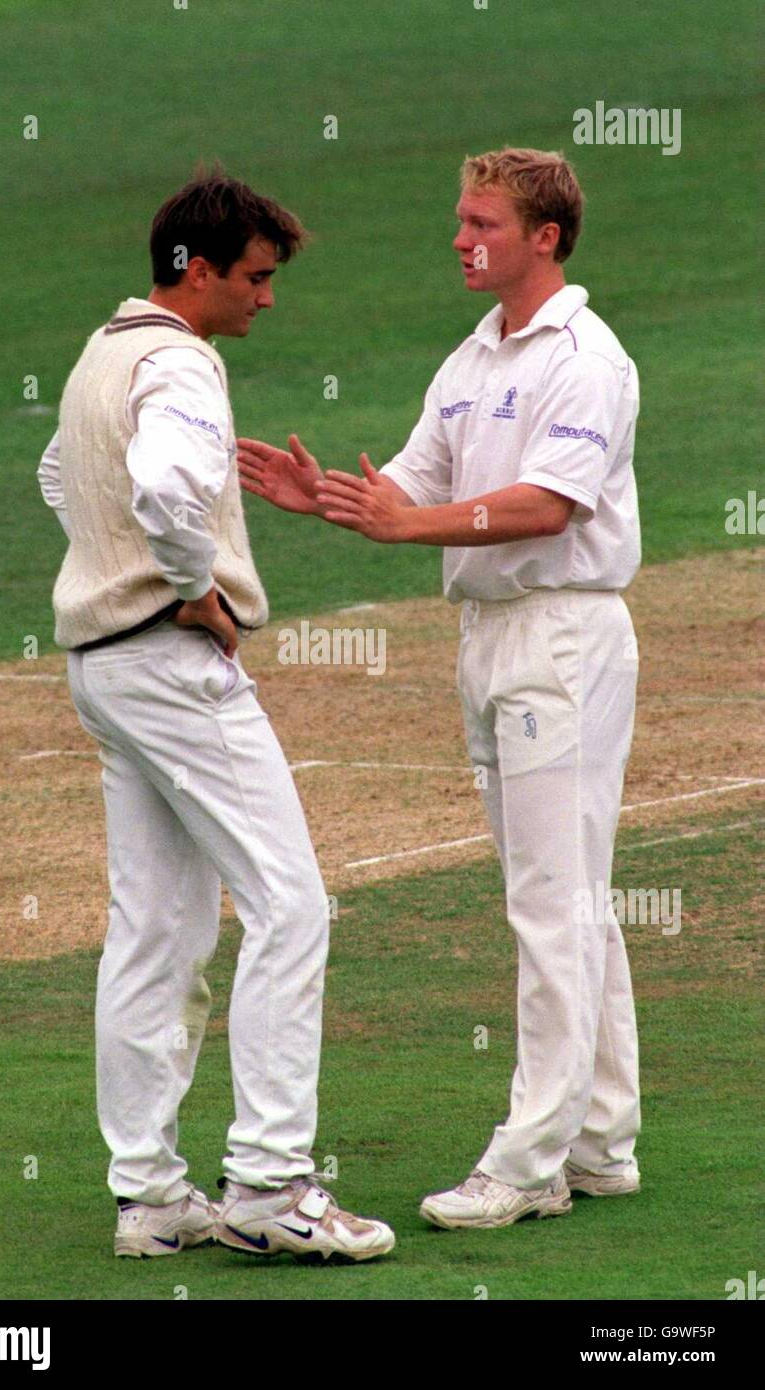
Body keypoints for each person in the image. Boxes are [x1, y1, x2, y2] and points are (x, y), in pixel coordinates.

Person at [238, 147, 642, 1230]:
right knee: (566, 896)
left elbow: (544, 507)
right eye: (459, 222)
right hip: (490, 637)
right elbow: (407, 487)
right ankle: (599, 1138)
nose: (461, 240)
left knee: (550, 903)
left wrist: (406, 523)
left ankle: (527, 1163)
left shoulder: (585, 357)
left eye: (482, 224)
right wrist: (318, 496)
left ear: (543, 237)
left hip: (561, 636)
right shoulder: (472, 358)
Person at [37, 168, 394, 1262]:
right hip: (171, 660)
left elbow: (61, 475)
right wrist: (191, 584)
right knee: (291, 904)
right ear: (195, 270)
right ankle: (271, 1183)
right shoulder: (179, 361)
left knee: (158, 929)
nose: (265, 298)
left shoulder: (106, 349)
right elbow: (161, 489)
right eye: (254, 277)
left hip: (102, 664)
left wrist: (118, 563)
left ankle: (148, 1195)